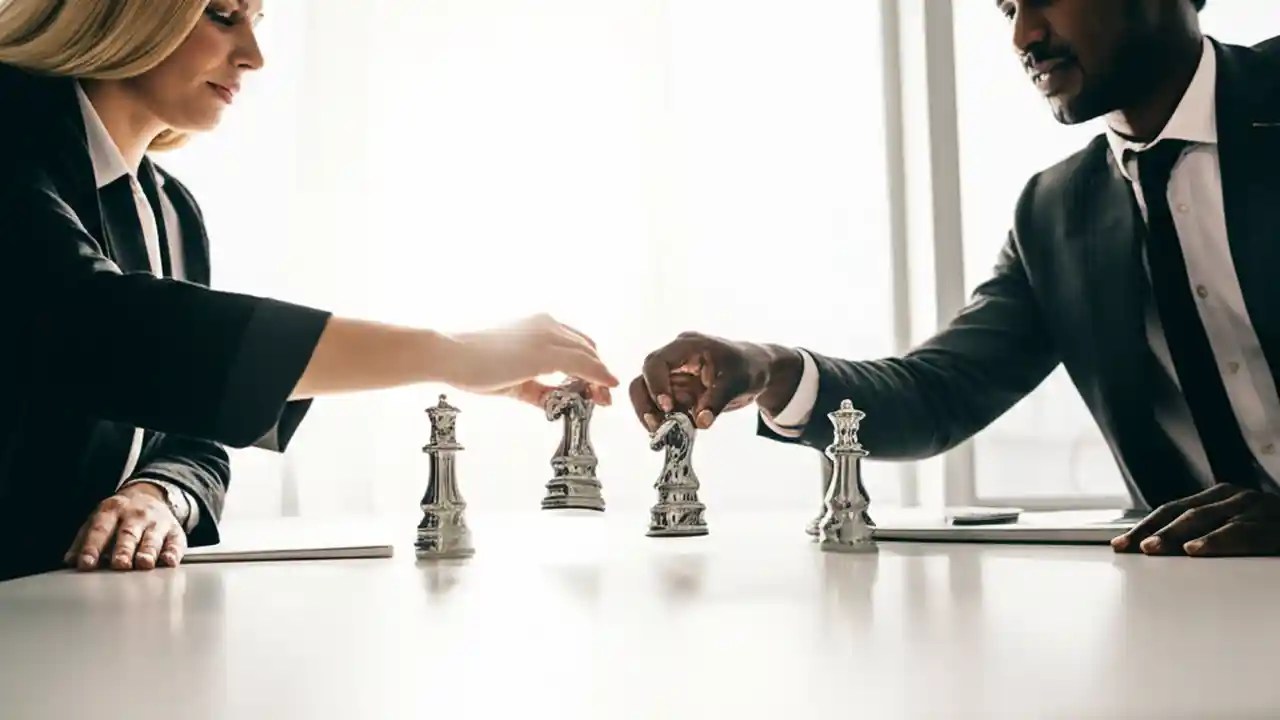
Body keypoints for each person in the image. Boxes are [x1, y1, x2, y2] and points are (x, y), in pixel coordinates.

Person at [631, 0, 1280, 557]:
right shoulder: (1056, 212)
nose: (1024, 36)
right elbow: (938, 394)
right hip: (1197, 618)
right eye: (1007, 9)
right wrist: (767, 368)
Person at [0, 0, 619, 581]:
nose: (254, 55)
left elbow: (192, 428)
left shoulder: (173, 212)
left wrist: (160, 493)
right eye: (223, 15)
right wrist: (449, 351)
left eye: (257, 19)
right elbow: (104, 330)